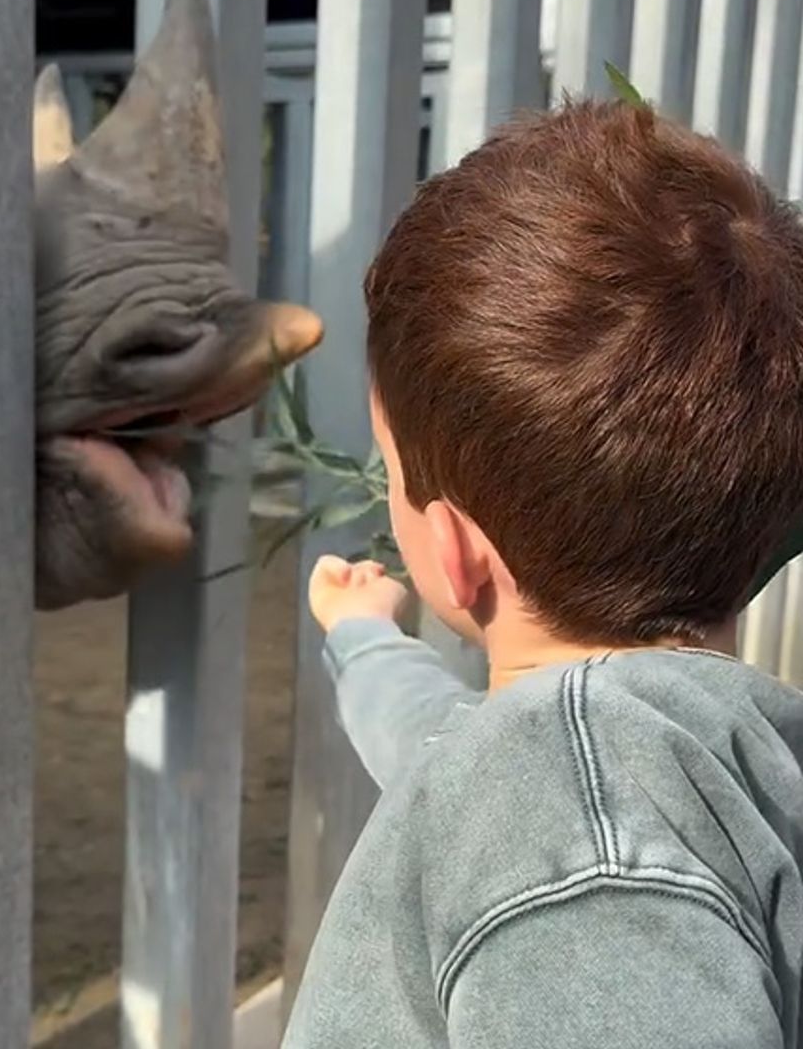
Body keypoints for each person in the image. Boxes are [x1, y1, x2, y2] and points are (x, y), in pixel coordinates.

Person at [282, 99, 803, 1048]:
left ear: (455, 549)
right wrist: (362, 639)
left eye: (392, 476)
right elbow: (433, 740)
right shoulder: (678, 756)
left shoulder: (584, 839)